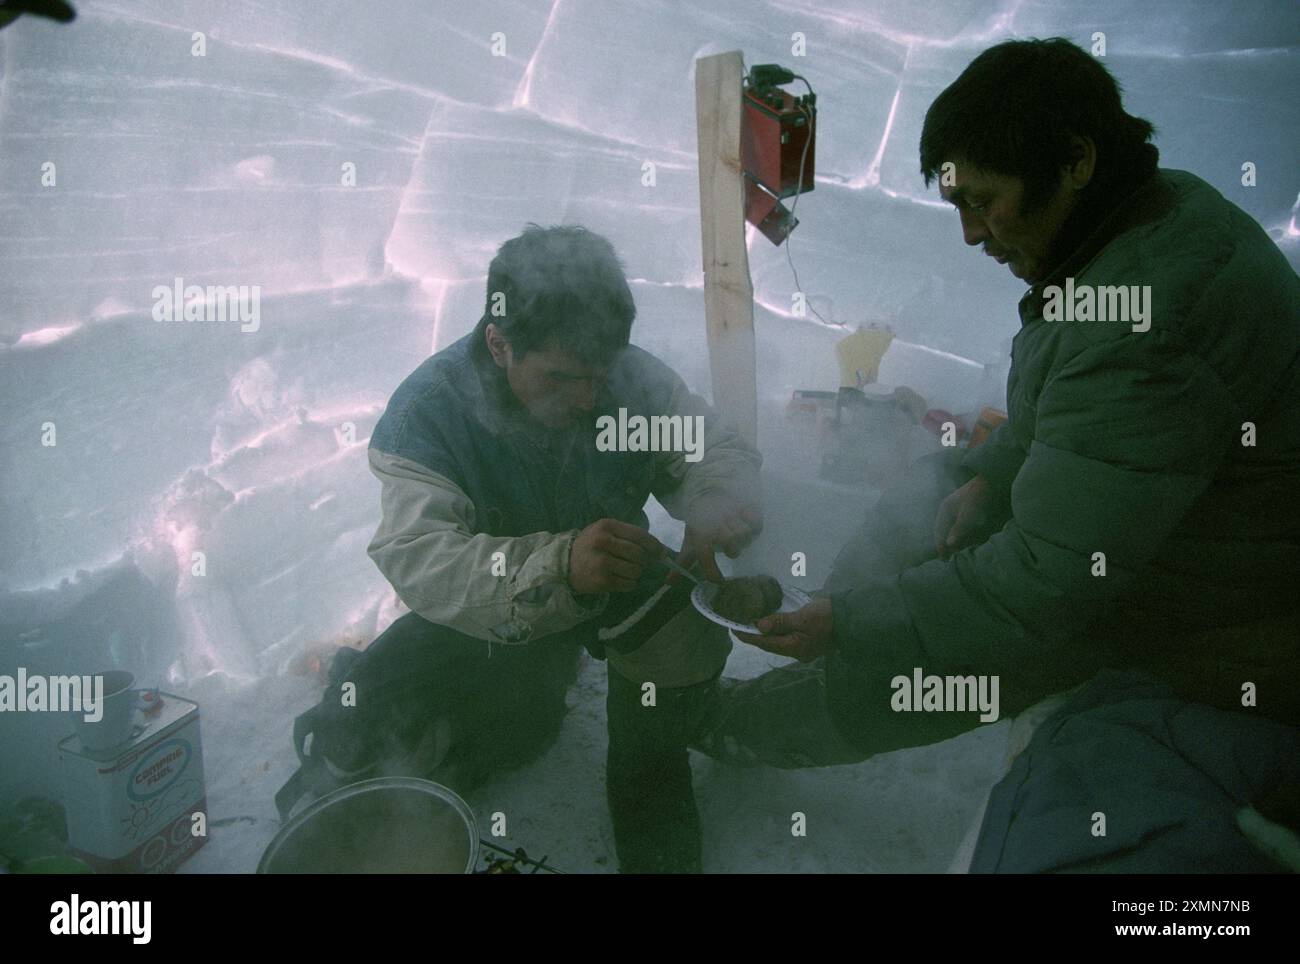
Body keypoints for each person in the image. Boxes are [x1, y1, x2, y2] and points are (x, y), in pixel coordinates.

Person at [697, 37, 1300, 872]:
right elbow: (1087, 409)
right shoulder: (1153, 216)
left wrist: (868, 624)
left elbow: (1047, 586)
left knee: (936, 648)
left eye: (984, 201)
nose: (974, 234)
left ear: (1078, 161)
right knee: (937, 482)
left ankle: (739, 723)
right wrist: (990, 470)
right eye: (957, 207)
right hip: (1158, 531)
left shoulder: (1154, 313)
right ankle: (823, 648)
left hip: (1213, 615)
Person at [280, 224, 763, 874]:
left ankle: (657, 799)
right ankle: (369, 694)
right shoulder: (426, 417)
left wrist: (716, 501)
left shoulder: (630, 381)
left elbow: (717, 448)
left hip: (619, 579)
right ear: (499, 343)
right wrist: (559, 566)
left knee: (673, 669)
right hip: (500, 605)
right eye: (562, 378)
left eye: (599, 376)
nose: (588, 399)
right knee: (409, 731)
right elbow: (423, 560)